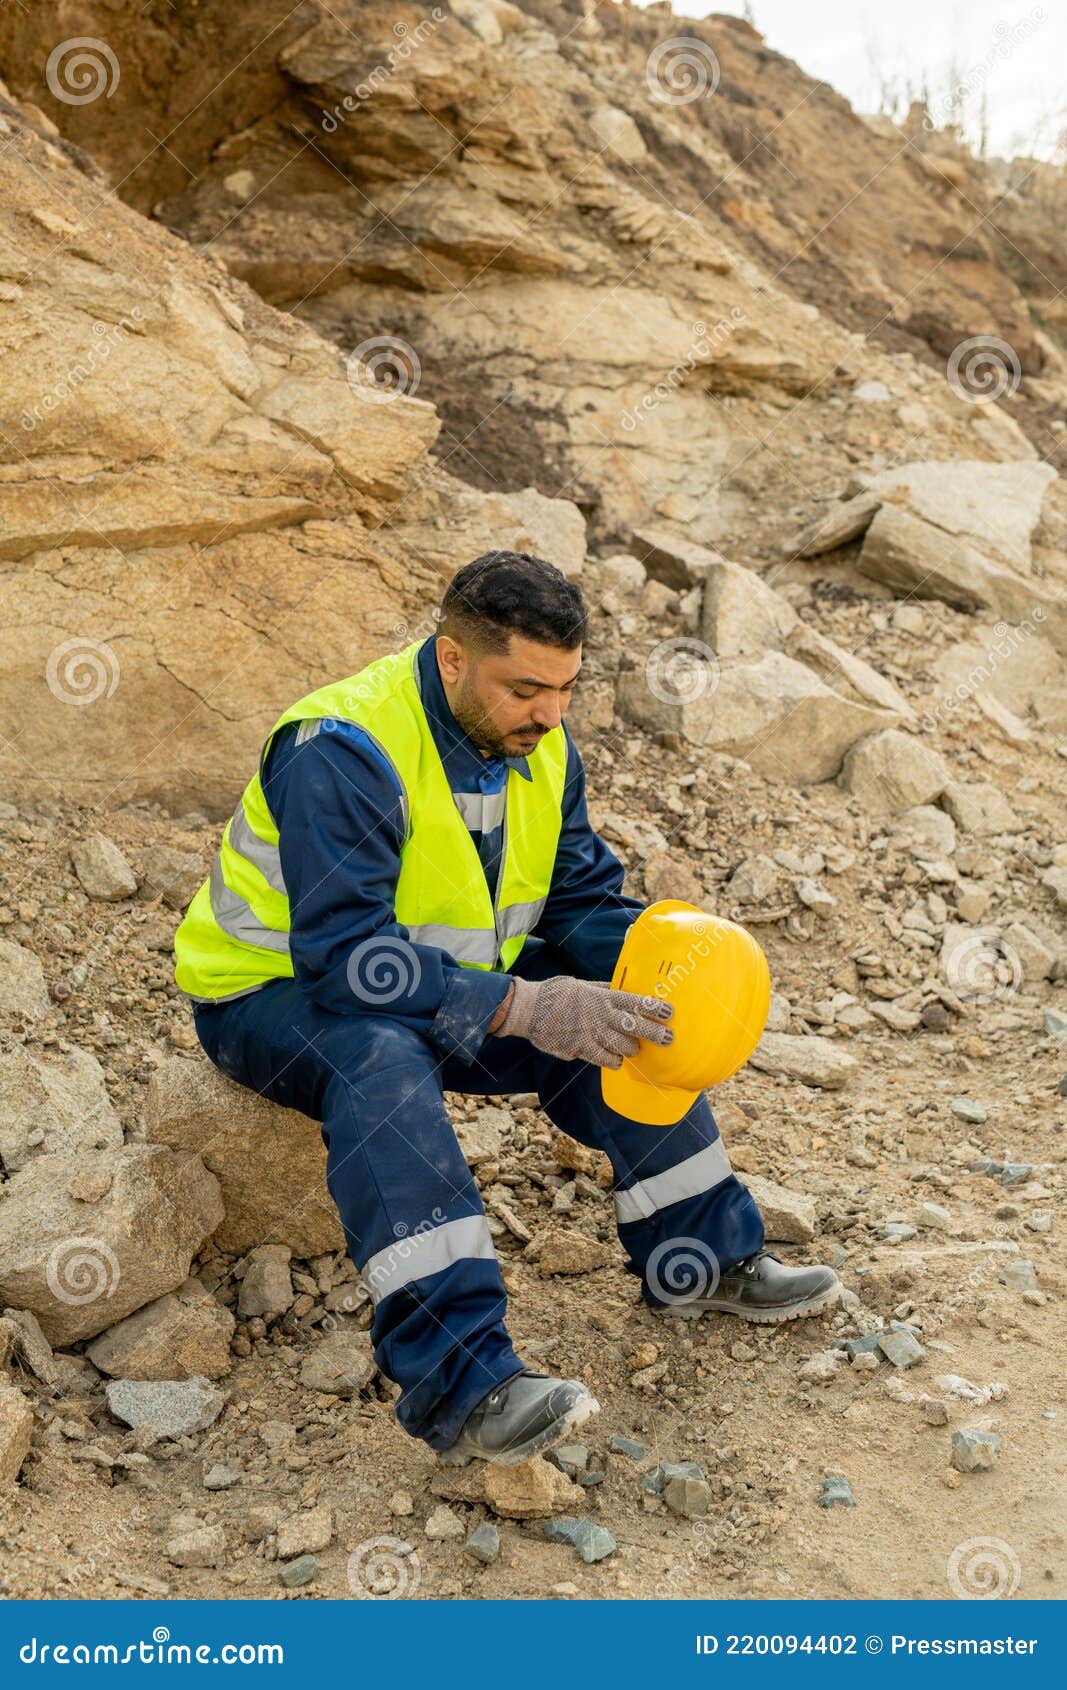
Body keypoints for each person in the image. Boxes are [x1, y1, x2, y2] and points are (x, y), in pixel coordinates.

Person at [174, 551, 839, 1466]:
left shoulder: (538, 742)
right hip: (273, 998)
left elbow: (575, 904)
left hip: (448, 983)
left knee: (623, 1010)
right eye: (525, 688)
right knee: (380, 1060)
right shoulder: (341, 748)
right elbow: (348, 964)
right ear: (452, 658)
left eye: (564, 688)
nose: (550, 713)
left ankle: (701, 1258)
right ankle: (464, 1385)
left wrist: (678, 969)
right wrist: (525, 1006)